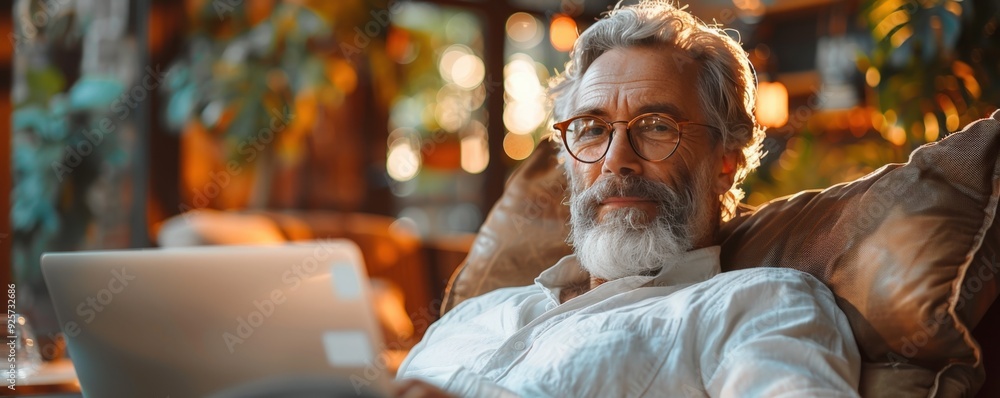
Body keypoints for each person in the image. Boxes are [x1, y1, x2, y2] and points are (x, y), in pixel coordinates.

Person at [394, 1, 860, 396]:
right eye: (593, 129)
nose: (617, 161)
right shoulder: (477, 313)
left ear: (725, 163)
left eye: (657, 127)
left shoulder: (759, 306)